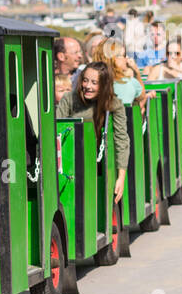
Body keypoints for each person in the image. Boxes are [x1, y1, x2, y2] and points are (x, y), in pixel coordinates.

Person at [57, 60, 129, 203]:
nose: (88, 86)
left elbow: (121, 139)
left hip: (98, 162)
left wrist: (121, 177)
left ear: (104, 85)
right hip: (69, 161)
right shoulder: (69, 99)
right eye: (85, 81)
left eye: (94, 83)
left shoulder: (114, 104)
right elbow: (57, 129)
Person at [53, 36, 84, 102]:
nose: (80, 56)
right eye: (75, 52)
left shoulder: (83, 77)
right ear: (61, 56)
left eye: (80, 52)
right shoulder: (48, 78)